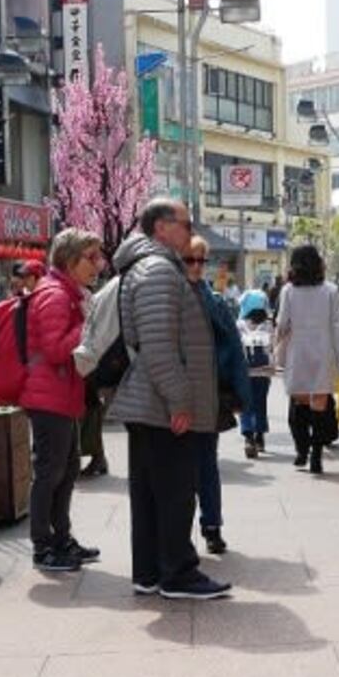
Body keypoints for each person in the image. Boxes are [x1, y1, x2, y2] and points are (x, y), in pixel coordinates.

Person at [113, 198, 230, 600]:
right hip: (162, 404)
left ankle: (149, 572)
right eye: (185, 222)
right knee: (175, 493)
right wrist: (180, 400)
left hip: (150, 401)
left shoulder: (149, 267)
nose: (190, 229)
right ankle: (178, 573)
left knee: (149, 494)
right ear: (162, 227)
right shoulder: (159, 270)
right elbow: (160, 344)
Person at [21, 228, 107, 573]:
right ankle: (44, 546)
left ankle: (61, 538)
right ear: (70, 261)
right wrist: (89, 322)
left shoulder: (68, 292)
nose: (98, 264)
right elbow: (57, 349)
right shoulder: (55, 295)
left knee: (66, 468)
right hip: (48, 397)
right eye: (91, 257)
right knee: (50, 472)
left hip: (60, 395)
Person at [183, 235, 251, 555]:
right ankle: (181, 531)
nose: (196, 266)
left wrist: (239, 393)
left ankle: (211, 526)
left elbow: (234, 349)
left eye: (201, 260)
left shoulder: (214, 300)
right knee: (182, 468)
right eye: (190, 260)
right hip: (178, 393)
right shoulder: (171, 295)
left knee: (206, 464)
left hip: (209, 394)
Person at [275, 245, 339, 474]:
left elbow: (282, 324)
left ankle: (302, 449)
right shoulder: (330, 291)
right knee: (320, 405)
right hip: (323, 353)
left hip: (298, 353)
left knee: (299, 405)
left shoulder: (288, 291)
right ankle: (317, 456)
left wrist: (276, 349)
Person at [237, 289, 274, 458]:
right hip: (264, 373)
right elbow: (272, 346)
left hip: (245, 373)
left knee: (246, 405)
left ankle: (248, 437)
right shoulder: (268, 325)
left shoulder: (239, 325)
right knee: (260, 403)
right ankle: (259, 436)